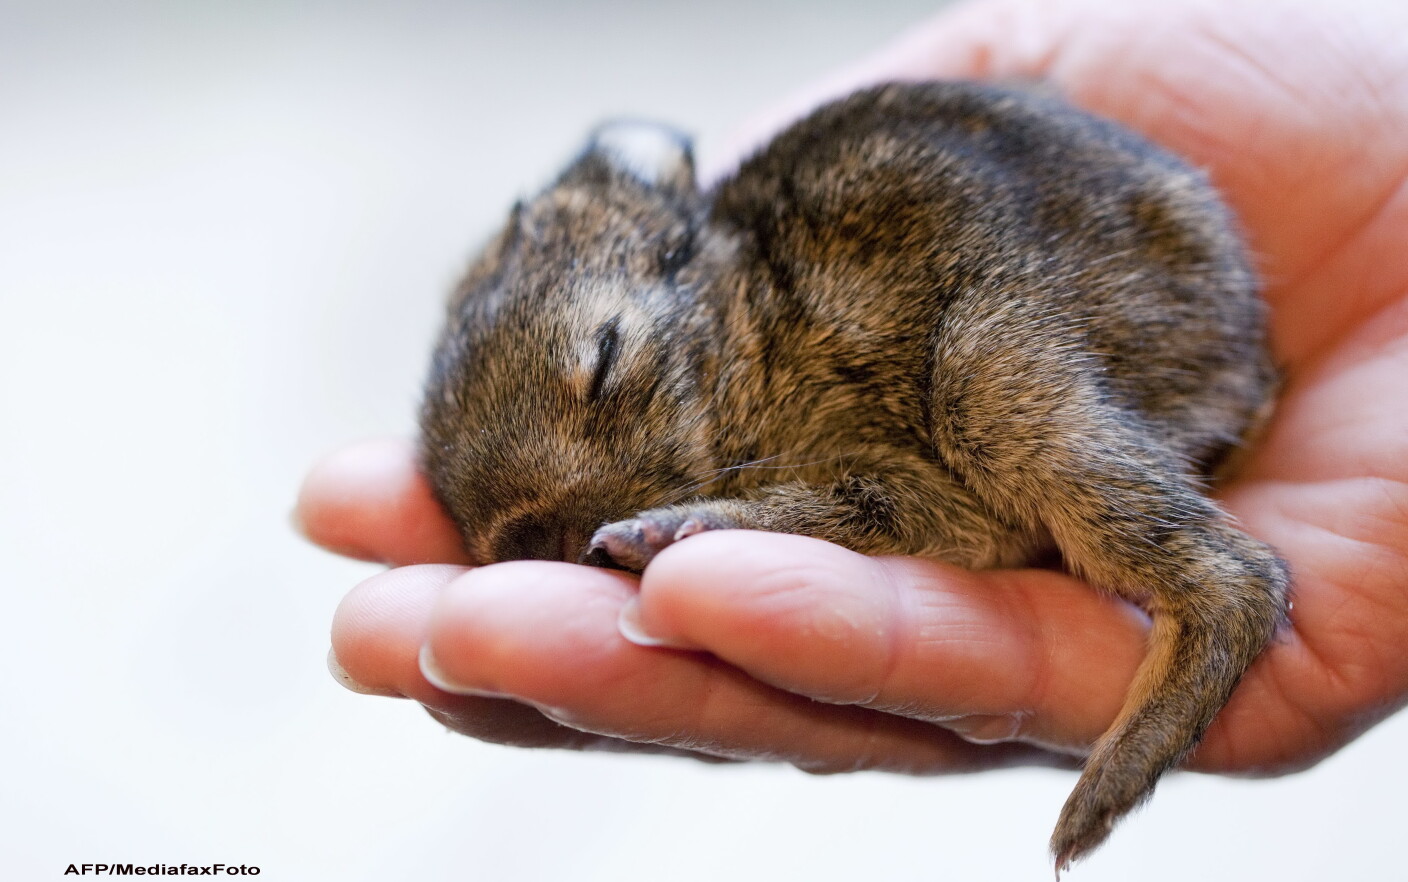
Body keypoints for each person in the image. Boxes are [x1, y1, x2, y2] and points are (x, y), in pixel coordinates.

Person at [296, 0, 1408, 778]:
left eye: (605, 378)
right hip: (1040, 369)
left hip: (1130, 296)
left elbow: (912, 466)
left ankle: (1210, 585)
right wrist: (727, 516)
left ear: (689, 267)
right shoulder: (769, 388)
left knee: (991, 393)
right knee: (935, 492)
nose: (574, 499)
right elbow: (901, 507)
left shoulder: (802, 310)